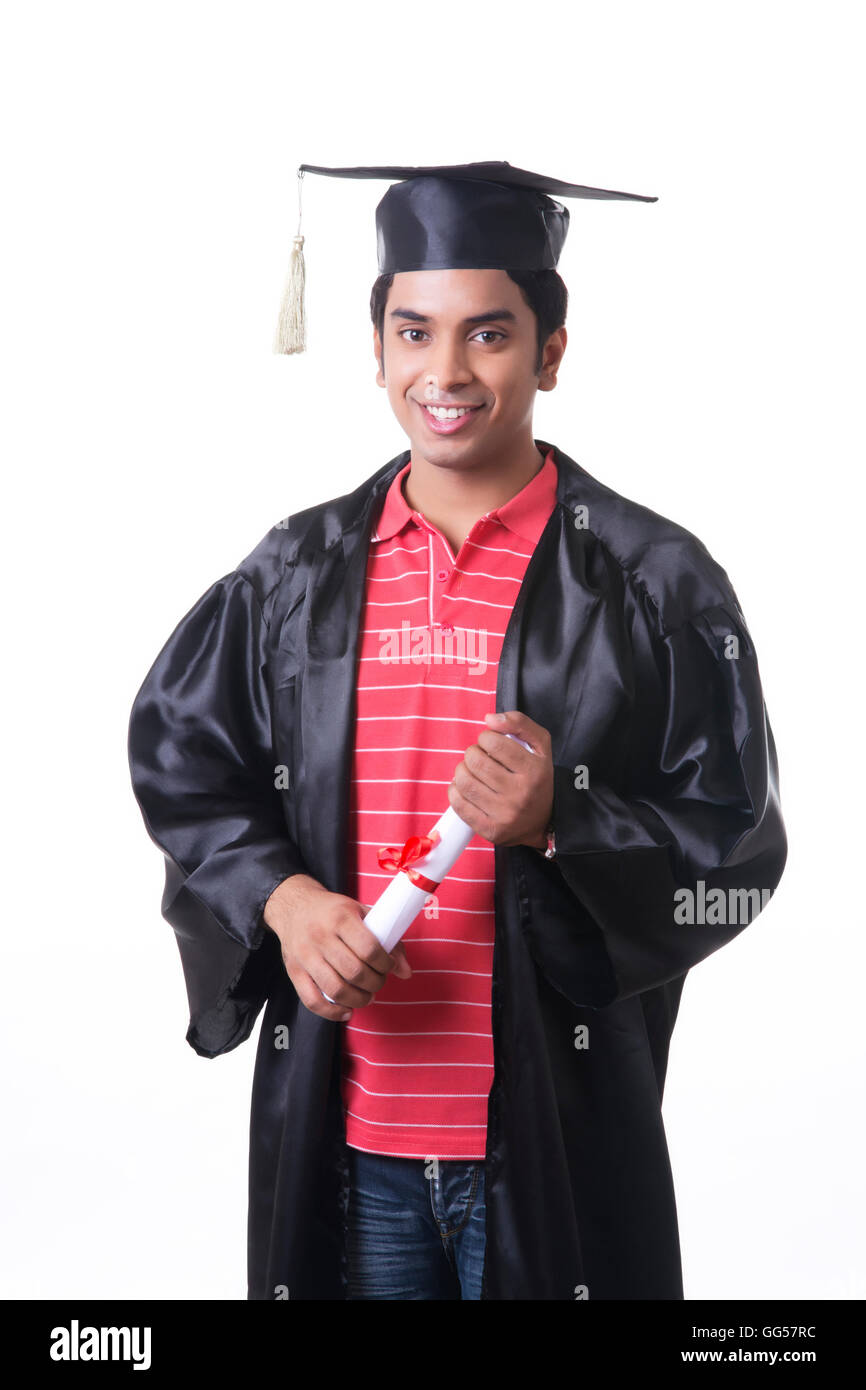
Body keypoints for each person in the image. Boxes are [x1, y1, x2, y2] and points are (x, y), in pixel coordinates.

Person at [128, 161, 787, 1301]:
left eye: (487, 333)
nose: (443, 372)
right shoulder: (296, 572)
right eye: (412, 331)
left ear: (550, 351)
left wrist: (557, 820)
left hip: (547, 1140)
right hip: (349, 1137)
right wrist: (285, 904)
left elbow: (730, 850)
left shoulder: (648, 580)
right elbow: (186, 762)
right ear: (375, 347)